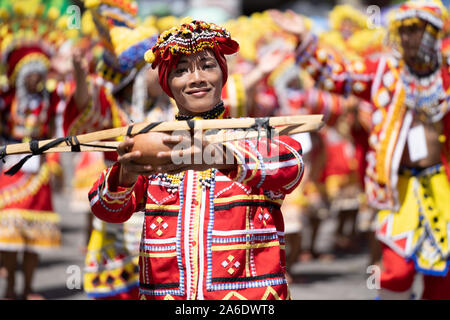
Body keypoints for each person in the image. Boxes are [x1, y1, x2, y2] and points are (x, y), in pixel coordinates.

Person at [89, 19, 305, 300]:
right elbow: (106, 209)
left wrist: (218, 156)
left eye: (207, 66)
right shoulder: (157, 145)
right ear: (168, 83)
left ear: (223, 74)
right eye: (181, 71)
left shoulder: (251, 136)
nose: (196, 79)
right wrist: (126, 173)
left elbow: (292, 165)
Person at [269, 0, 450, 299]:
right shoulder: (382, 71)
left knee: (442, 276)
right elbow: (337, 75)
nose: (409, 38)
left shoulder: (445, 76)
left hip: (441, 185)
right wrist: (304, 39)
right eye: (404, 30)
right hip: (398, 188)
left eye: (417, 30)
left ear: (434, 32)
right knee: (395, 273)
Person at [0, 4, 75, 300]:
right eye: (31, 73)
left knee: (34, 238)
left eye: (40, 73)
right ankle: (10, 287)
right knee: (8, 234)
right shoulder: (6, 99)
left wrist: (54, 161)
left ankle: (29, 287)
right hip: (9, 167)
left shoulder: (53, 99)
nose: (37, 79)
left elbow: (58, 132)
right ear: (20, 75)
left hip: (39, 168)